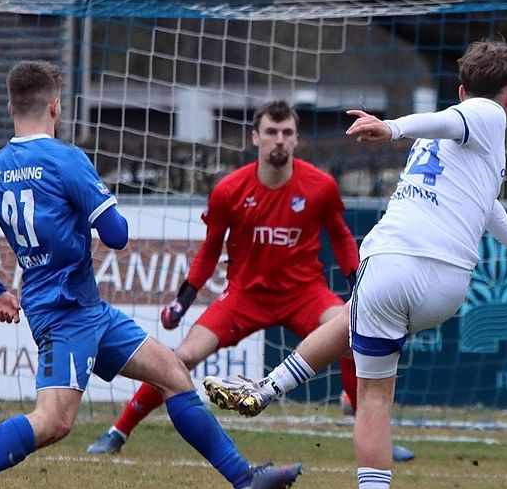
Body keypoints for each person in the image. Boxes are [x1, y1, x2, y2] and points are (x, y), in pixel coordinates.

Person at [203, 40, 507, 489]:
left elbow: (490, 207)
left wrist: (392, 127)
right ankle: (268, 389)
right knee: (350, 321)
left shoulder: (461, 135)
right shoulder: (488, 114)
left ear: (462, 88)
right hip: (446, 285)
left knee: (373, 397)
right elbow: (485, 193)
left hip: (391, 264)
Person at [0, 61, 301, 489]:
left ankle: (244, 479)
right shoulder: (67, 159)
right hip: (65, 315)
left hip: (83, 309)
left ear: (10, 106)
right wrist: (93, 203)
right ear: (56, 106)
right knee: (53, 421)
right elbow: (116, 234)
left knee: (173, 372)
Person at [85, 100, 414, 462]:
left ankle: (368, 428)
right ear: (255, 137)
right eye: (271, 132)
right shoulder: (229, 190)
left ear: (296, 140)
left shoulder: (320, 186)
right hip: (244, 297)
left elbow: (339, 236)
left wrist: (356, 281)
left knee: (354, 332)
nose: (279, 140)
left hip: (305, 294)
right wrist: (184, 299)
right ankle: (119, 430)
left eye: (287, 133)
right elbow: (210, 250)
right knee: (182, 356)